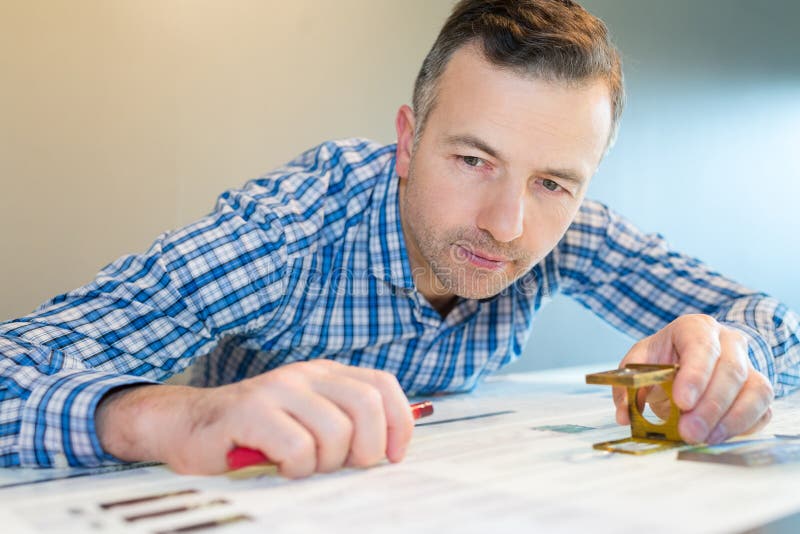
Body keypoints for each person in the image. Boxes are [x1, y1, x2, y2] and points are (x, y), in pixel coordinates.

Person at [1, 0, 797, 478]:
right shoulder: (290, 232)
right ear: (408, 143)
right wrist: (175, 417)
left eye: (554, 182)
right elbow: (14, 370)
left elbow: (772, 323)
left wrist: (732, 363)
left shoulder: (569, 226)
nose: (508, 226)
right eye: (474, 159)